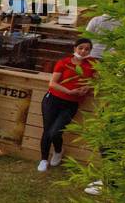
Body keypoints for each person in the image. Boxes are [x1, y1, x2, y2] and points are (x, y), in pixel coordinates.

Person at [38, 38, 96, 173]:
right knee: (47, 130)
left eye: (87, 49)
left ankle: (58, 151)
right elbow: (53, 83)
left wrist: (88, 87)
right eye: (81, 48)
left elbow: (96, 79)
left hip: (71, 104)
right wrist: (69, 91)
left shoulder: (92, 64)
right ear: (75, 48)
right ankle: (44, 159)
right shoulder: (63, 63)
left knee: (55, 132)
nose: (83, 51)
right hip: (52, 100)